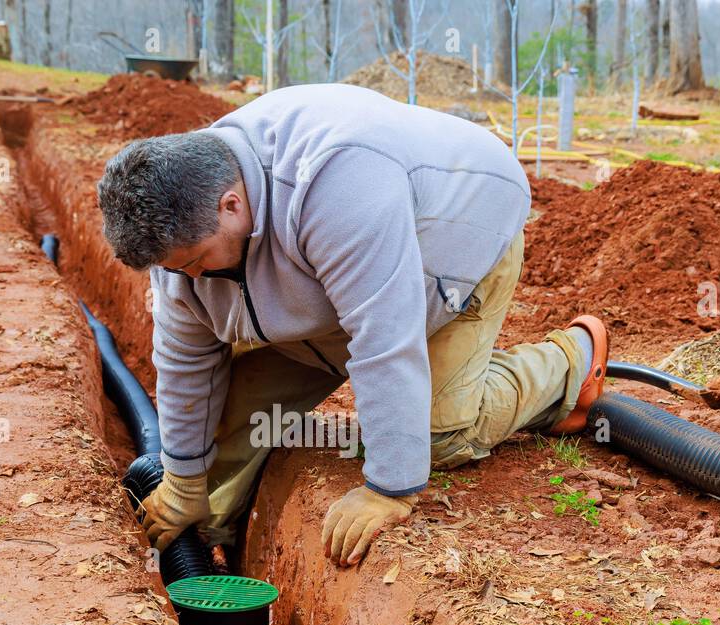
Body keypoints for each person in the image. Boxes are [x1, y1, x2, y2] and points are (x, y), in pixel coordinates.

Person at [97, 83, 607, 567]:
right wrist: (184, 481)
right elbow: (186, 357)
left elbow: (385, 341)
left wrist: (388, 488)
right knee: (231, 419)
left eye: (195, 262)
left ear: (232, 206)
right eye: (175, 270)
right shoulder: (185, 224)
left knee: (438, 437)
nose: (189, 278)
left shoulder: (336, 184)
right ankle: (217, 557)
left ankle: (568, 361)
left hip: (452, 243)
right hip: (332, 284)